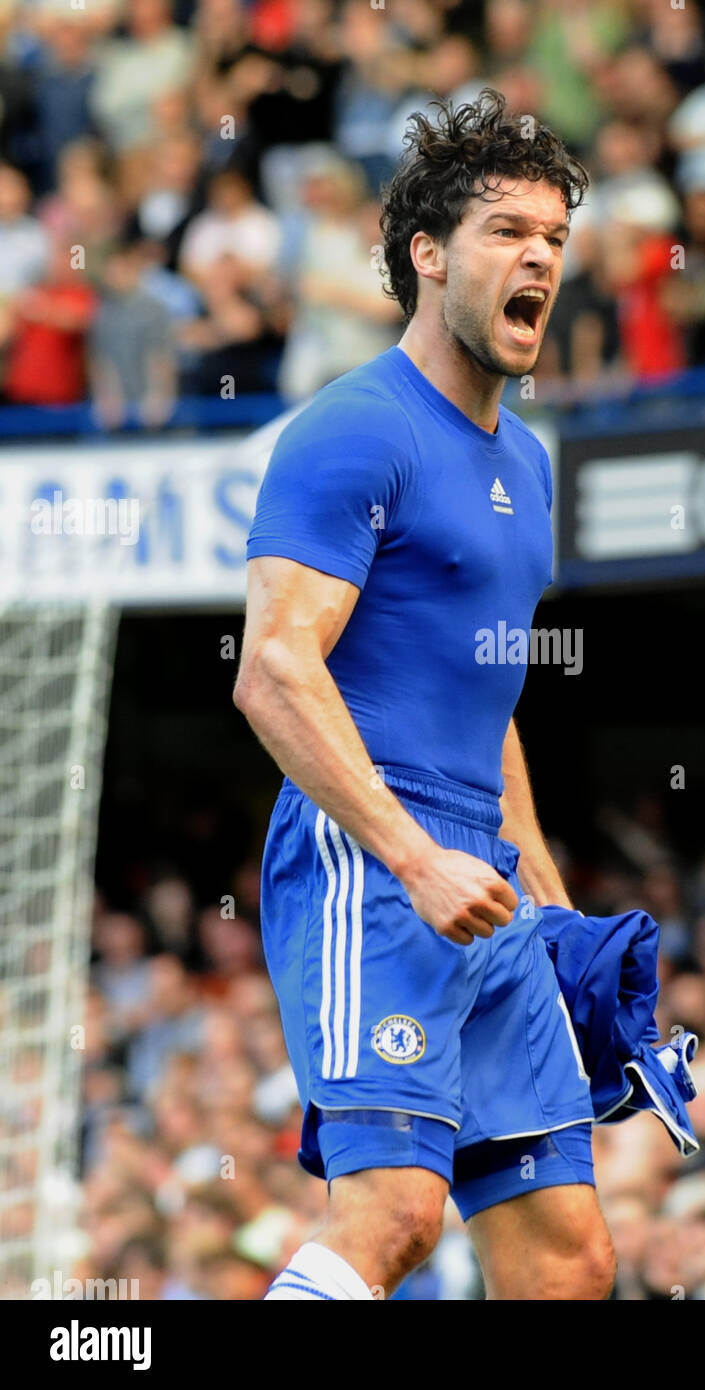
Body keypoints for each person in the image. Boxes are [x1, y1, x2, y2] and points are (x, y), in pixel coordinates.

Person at [234, 88, 615, 1302]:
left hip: (483, 871)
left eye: (555, 238)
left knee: (568, 1252)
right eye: (509, 231)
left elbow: (488, 695)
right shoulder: (351, 430)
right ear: (429, 254)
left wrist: (547, 901)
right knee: (397, 1214)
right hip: (369, 855)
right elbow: (274, 668)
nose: (540, 258)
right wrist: (410, 857)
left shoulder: (530, 464)